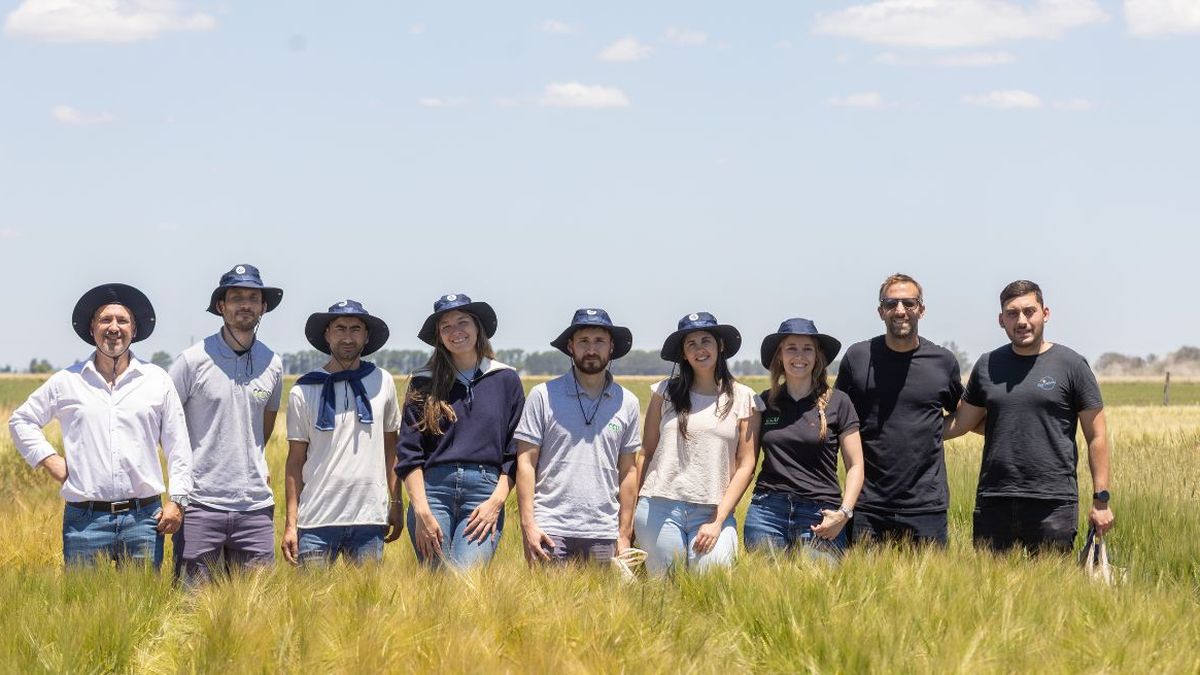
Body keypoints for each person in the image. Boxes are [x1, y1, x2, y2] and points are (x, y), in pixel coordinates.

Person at [9, 283, 191, 569]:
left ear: (135, 329)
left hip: (144, 518)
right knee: (83, 606)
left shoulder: (157, 380)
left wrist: (177, 502)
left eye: (123, 320)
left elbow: (179, 446)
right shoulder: (67, 381)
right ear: (92, 328)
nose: (114, 327)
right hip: (85, 522)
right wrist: (49, 458)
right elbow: (21, 420)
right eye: (105, 320)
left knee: (142, 608)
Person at [945, 280, 1114, 554]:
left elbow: (1096, 436)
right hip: (995, 500)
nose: (1021, 321)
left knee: (1052, 593)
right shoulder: (988, 365)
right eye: (1012, 313)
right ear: (1001, 320)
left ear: (1045, 313)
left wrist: (1101, 500)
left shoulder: (1071, 365)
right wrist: (908, 426)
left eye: (1029, 311)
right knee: (989, 593)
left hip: (1053, 502)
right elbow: (961, 422)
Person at [169, 264, 285, 583]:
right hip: (200, 505)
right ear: (221, 306)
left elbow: (264, 426)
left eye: (252, 297)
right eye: (236, 297)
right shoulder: (192, 360)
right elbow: (165, 422)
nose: (244, 304)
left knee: (257, 609)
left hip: (256, 508)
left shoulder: (272, 363)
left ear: (263, 307)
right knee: (193, 606)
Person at [396, 293, 525, 569]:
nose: (456, 332)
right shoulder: (423, 382)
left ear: (478, 328)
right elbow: (409, 453)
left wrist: (497, 502)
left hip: (484, 494)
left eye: (463, 322)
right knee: (437, 582)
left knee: (467, 581)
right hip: (432, 493)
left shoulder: (505, 379)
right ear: (439, 337)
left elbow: (514, 452)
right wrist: (421, 511)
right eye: (446, 326)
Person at [834, 274, 963, 547]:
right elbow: (837, 417)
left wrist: (931, 430)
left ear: (921, 309)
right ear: (881, 311)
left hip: (926, 506)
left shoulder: (942, 362)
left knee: (931, 590)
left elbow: (963, 414)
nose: (900, 310)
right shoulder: (858, 358)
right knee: (865, 588)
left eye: (909, 303)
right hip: (867, 503)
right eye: (891, 303)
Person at [635, 312, 762, 576]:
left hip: (713, 509)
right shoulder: (664, 393)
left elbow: (747, 464)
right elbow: (645, 452)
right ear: (683, 353)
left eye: (706, 341)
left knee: (711, 583)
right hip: (659, 505)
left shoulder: (744, 398)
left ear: (720, 346)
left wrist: (718, 520)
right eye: (691, 343)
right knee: (665, 591)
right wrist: (627, 519)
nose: (699, 349)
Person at [515, 308, 642, 566]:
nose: (591, 349)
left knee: (601, 607)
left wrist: (624, 533)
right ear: (571, 347)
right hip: (550, 530)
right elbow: (525, 462)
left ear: (611, 347)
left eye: (599, 341)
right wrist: (528, 525)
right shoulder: (543, 395)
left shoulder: (627, 402)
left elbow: (628, 471)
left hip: (603, 532)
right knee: (546, 606)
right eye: (584, 341)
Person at [282, 300, 404, 565]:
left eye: (355, 329)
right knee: (311, 605)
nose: (347, 337)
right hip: (316, 518)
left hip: (369, 518)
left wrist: (396, 503)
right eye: (339, 329)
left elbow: (391, 448)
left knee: (366, 605)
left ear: (366, 336)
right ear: (327, 334)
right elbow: (294, 461)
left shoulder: (383, 381)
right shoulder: (303, 390)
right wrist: (291, 523)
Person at [745, 319, 864, 561]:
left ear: (817, 356)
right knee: (765, 593)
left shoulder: (838, 402)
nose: (799, 356)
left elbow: (856, 465)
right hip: (767, 512)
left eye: (807, 348)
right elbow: (746, 463)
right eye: (791, 348)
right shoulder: (764, 403)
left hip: (820, 514)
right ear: (779, 356)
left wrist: (844, 513)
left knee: (822, 592)